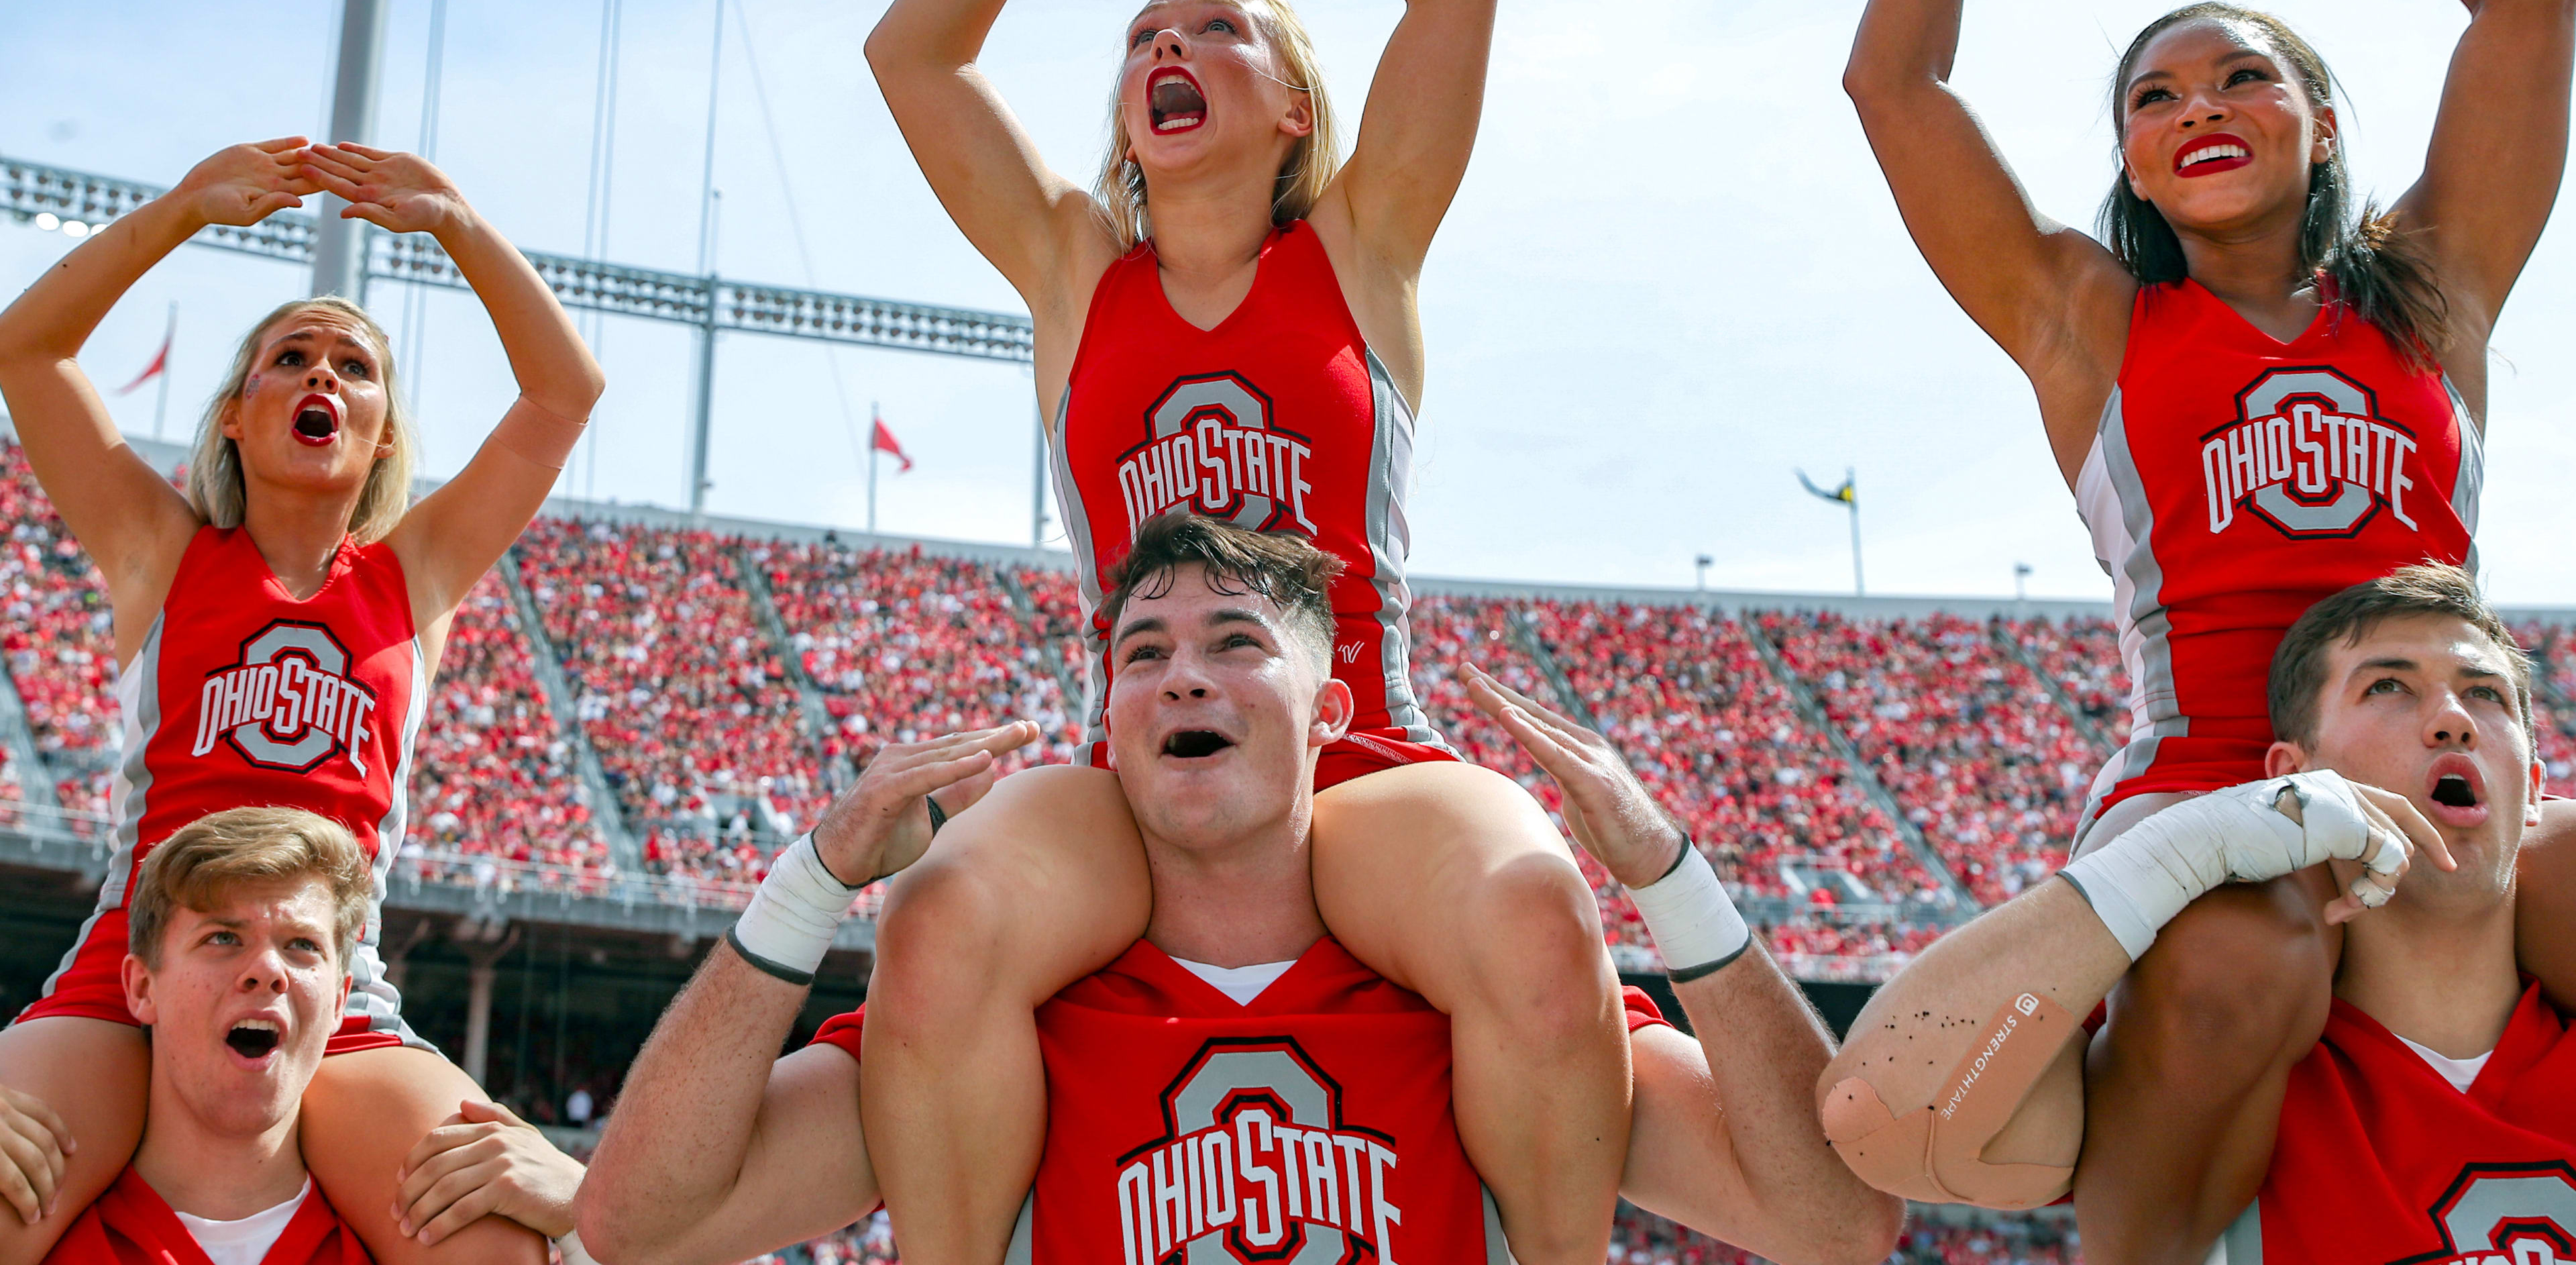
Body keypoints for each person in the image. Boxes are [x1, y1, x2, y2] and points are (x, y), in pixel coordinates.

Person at [1839, 0, 2576, 1255]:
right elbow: (1890, 86)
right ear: (2128, 160)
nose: (2200, 105)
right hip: (2202, 781)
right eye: (2152, 95)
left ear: (2317, 114)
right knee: (2246, 961)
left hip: (2431, 758)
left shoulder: (2428, 293)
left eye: (2243, 72)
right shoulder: (2084, 317)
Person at [863, 0, 1627, 1261]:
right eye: (1147, 33)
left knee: (1537, 911)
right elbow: (912, 57)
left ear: (1293, 105)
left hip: (1364, 755)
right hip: (1134, 770)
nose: (1171, 42)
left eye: (1220, 28)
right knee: (936, 915)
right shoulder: (1078, 269)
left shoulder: (1363, 243)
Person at [576, 511, 1901, 1265]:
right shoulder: (998, 1015)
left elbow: (1840, 1221)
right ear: (1110, 719)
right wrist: (809, 883)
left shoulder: (1479, 993)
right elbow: (641, 1223)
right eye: (1142, 651)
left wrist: (1672, 879)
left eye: (1234, 644)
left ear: (1330, 712)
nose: (1185, 675)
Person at [0, 138, 604, 1265]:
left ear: (380, 435)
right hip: (127, 976)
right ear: (234, 413)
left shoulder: (416, 577)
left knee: (492, 1239)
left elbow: (564, 390)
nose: (324, 375)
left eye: (355, 367)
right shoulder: (161, 553)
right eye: (291, 357)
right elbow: (28, 351)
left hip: (340, 995)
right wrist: (182, 208)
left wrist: (460, 226)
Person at [1815, 564, 2574, 1262]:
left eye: (2485, 693)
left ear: (2535, 782)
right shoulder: (2221, 1064)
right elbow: (1878, 1107)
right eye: (2388, 687)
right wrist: (2181, 850)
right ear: (2293, 773)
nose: (2451, 719)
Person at [34, 806, 582, 1265]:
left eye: (302, 945)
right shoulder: (34, 1233)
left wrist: (587, 1216)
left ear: (341, 1001)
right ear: (143, 987)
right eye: (223, 937)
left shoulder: (437, 1240)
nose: (268, 969)